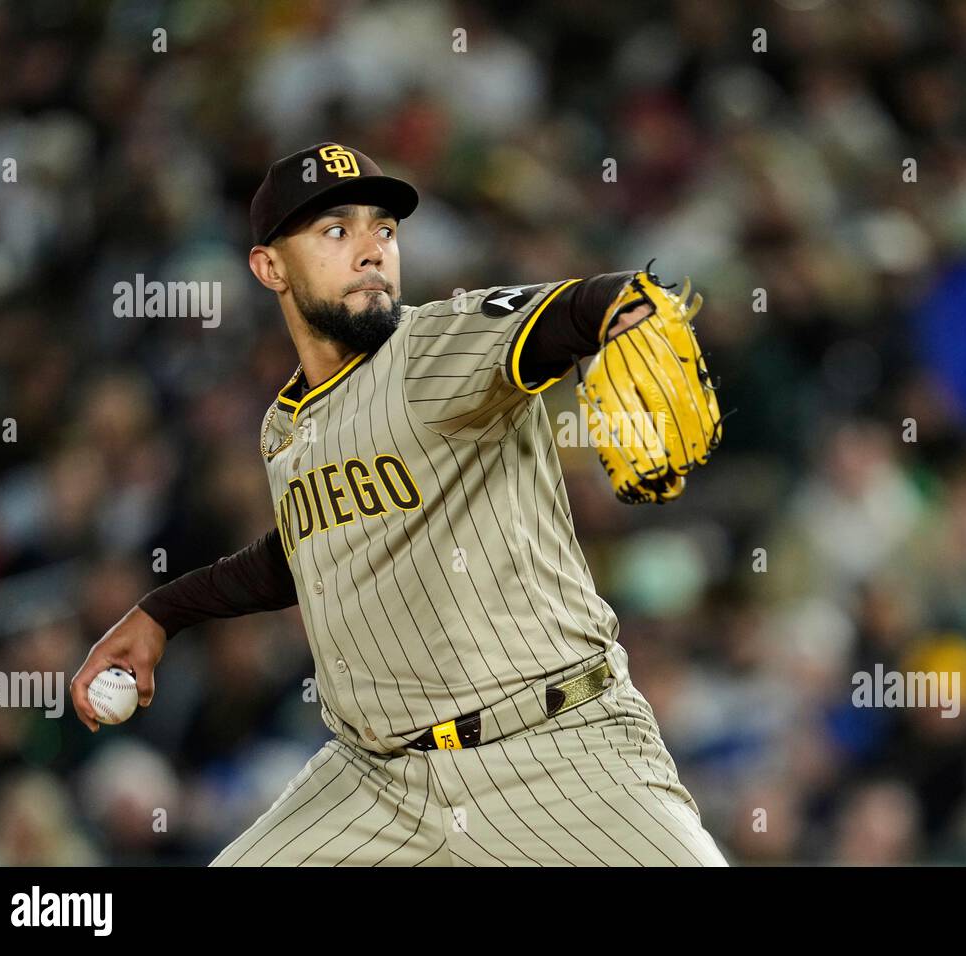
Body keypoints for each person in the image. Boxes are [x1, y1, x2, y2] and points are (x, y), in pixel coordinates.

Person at [70, 143, 729, 866]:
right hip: (376, 783)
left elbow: (569, 309)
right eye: (335, 231)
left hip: (556, 750)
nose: (370, 251)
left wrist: (623, 307)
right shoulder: (283, 426)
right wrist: (164, 612)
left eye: (383, 229)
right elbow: (308, 550)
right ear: (269, 267)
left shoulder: (435, 346)